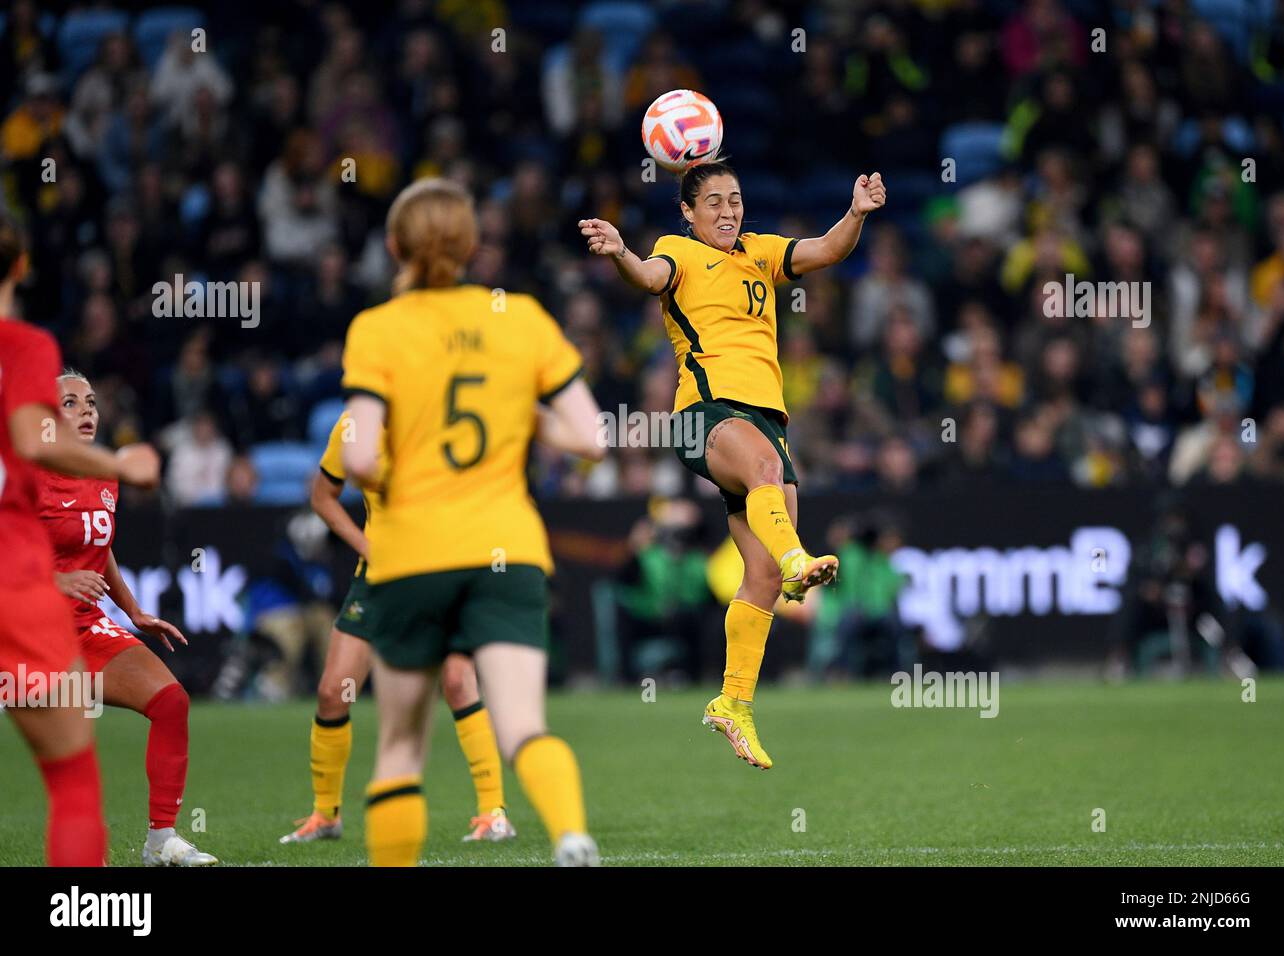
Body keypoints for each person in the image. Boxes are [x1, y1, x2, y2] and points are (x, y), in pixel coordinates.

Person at [578, 160, 888, 769]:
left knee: (762, 578)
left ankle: (733, 702)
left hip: (766, 420)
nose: (728, 211)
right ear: (688, 213)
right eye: (714, 201)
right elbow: (648, 276)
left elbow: (828, 249)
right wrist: (620, 253)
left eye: (735, 199)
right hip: (705, 413)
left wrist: (856, 213)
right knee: (769, 482)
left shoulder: (761, 253)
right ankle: (798, 559)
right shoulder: (678, 252)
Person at [341, 178, 605, 866]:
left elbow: (359, 455)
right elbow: (592, 439)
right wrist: (525, 416)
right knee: (523, 727)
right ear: (471, 246)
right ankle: (571, 833)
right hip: (507, 548)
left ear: (394, 246)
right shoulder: (522, 318)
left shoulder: (378, 328)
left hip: (412, 553)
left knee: (401, 747)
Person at [0, 213, 160, 865]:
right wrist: (121, 462)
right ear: (20, 266)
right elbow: (33, 440)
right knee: (71, 783)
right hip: (17, 592)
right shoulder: (25, 349)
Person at [279, 409, 517, 845]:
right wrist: (368, 547)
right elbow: (323, 497)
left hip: (444, 572)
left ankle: (494, 813)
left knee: (457, 681)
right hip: (379, 580)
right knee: (333, 693)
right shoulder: (353, 426)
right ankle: (326, 815)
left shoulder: (443, 415)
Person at [37, 369, 217, 866]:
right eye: (70, 403)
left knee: (171, 702)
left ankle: (161, 840)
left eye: (91, 402)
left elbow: (100, 546)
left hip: (82, 628)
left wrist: (133, 610)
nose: (86, 410)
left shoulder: (103, 472)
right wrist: (57, 581)